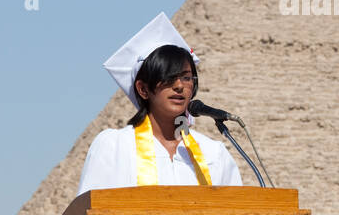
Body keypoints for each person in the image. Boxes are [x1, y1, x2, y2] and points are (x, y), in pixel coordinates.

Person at [77, 12, 242, 192]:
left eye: (187, 78)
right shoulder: (114, 147)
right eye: (169, 77)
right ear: (143, 89)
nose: (179, 86)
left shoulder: (214, 154)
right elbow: (90, 213)